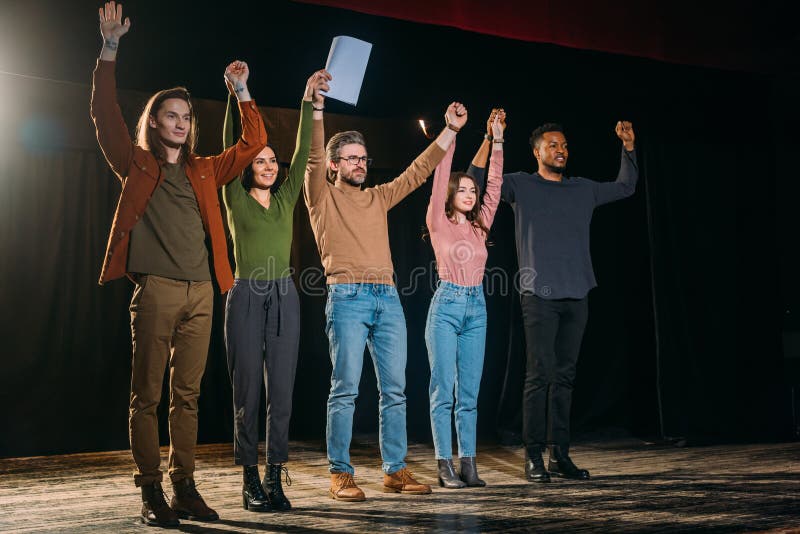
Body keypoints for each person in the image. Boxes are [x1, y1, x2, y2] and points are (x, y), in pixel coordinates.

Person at [91, 2, 266, 527]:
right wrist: (110, 47)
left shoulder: (205, 169)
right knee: (147, 396)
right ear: (154, 121)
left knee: (186, 397)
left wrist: (242, 91)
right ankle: (150, 490)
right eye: (171, 115)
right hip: (157, 290)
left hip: (201, 292)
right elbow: (103, 113)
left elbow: (254, 142)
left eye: (186, 117)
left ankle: (184, 486)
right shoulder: (136, 162)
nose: (181, 123)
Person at [304, 70, 467, 500]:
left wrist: (450, 130)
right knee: (345, 389)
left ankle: (395, 471)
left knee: (395, 390)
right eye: (351, 158)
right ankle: (340, 473)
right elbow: (313, 156)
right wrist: (316, 107)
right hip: (347, 297)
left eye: (363, 158)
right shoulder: (321, 195)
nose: (359, 164)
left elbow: (417, 172)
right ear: (335, 165)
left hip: (387, 298)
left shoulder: (377, 197)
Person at [468, 119, 637, 483]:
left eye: (564, 146)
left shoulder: (582, 189)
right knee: (538, 376)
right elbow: (477, 181)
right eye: (553, 145)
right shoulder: (520, 185)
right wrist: (489, 138)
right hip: (539, 296)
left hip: (577, 293)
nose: (561, 150)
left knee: (565, 378)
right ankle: (533, 457)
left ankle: (559, 455)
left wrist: (628, 147)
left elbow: (626, 187)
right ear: (537, 152)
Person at [222, 71, 323, 513]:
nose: (268, 166)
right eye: (259, 160)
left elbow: (302, 152)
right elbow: (232, 145)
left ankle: (274, 476)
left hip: (284, 297)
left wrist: (307, 98)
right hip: (245, 294)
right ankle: (249, 479)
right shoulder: (234, 196)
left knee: (281, 393)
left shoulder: (285, 198)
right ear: (247, 167)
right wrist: (237, 94)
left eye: (272, 161)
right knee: (247, 392)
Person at [425, 110, 505, 489]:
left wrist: (498, 139)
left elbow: (495, 186)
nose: (471, 195)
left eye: (473, 191)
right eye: (464, 190)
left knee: (469, 394)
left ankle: (469, 465)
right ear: (451, 195)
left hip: (477, 308)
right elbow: (441, 174)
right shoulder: (438, 221)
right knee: (443, 390)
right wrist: (452, 130)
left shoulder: (480, 225)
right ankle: (444, 465)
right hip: (446, 306)